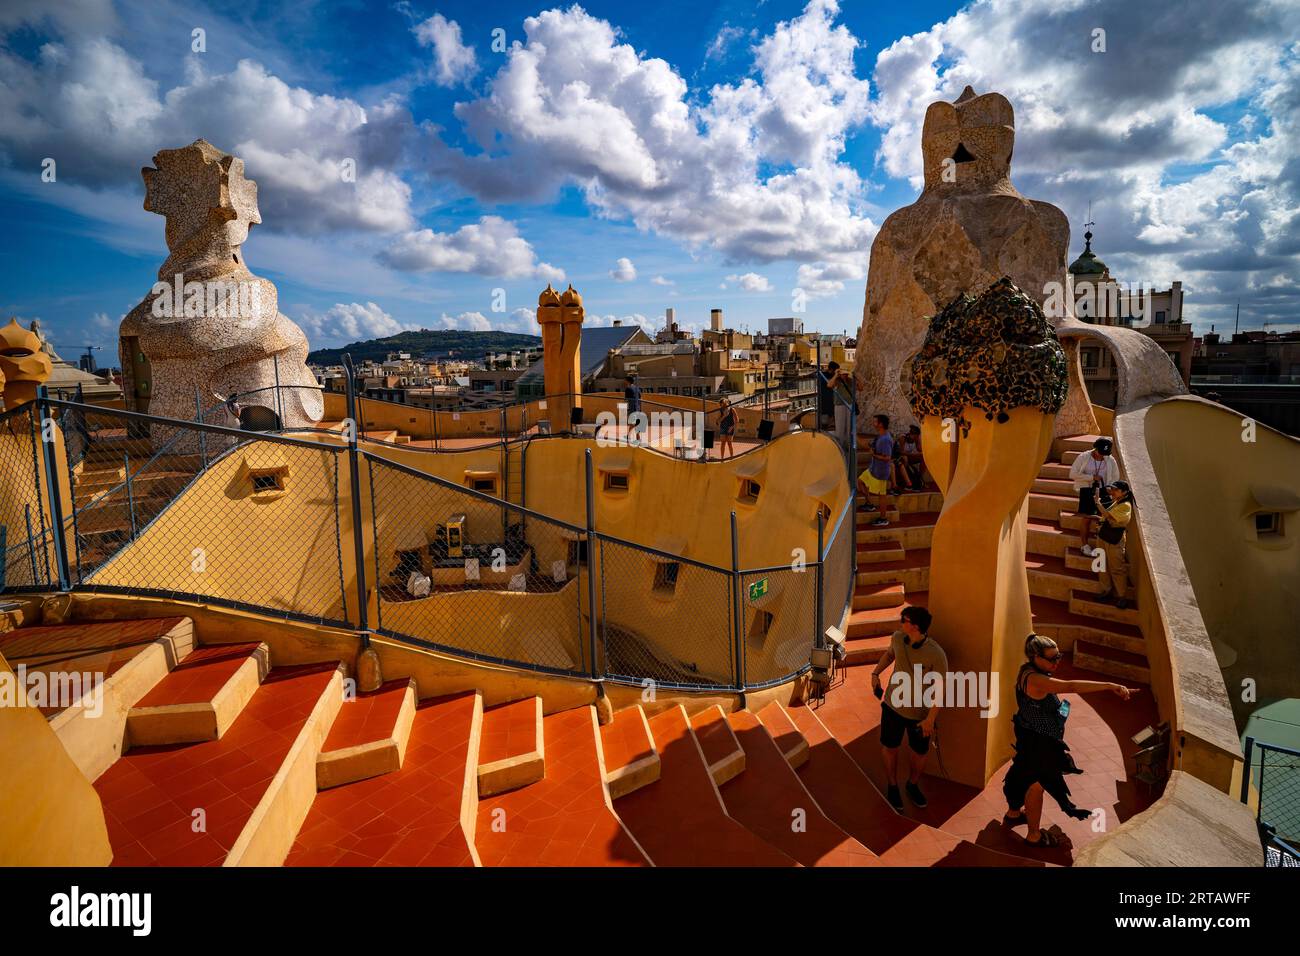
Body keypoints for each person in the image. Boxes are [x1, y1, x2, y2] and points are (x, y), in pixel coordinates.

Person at [1002, 634, 1134, 847]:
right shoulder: (1036, 679)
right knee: (1036, 786)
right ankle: (1034, 835)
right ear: (1035, 657)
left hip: (1028, 736)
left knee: (1020, 774)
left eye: (1058, 657)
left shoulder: (1027, 671)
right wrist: (1110, 685)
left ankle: (1013, 812)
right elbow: (1070, 686)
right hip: (1039, 743)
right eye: (1051, 658)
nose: (1056, 662)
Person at [870, 606, 946, 811]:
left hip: (920, 714)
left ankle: (912, 785)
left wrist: (930, 720)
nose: (900, 622)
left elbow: (941, 689)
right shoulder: (897, 638)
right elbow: (889, 655)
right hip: (892, 707)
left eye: (904, 619)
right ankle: (893, 786)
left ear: (915, 626)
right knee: (890, 747)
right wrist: (875, 673)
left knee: (919, 752)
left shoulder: (936, 654)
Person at [1069, 437, 1119, 557]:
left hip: (1104, 490)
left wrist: (1110, 488)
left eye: (1105, 453)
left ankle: (1101, 545)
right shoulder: (1083, 457)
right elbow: (1072, 474)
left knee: (1103, 518)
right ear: (1095, 448)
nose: (1102, 456)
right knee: (1087, 518)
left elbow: (1115, 476)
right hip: (1087, 490)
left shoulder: (1110, 459)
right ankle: (1085, 546)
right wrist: (1091, 477)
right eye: (1100, 452)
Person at [1095, 480, 1134, 609]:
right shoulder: (1116, 501)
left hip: (1114, 539)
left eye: (1116, 490)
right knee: (1101, 564)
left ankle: (1122, 596)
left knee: (1117, 568)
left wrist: (1098, 504)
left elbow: (1110, 517)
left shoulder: (1126, 505)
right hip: (1103, 536)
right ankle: (1106, 591)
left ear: (1124, 492)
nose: (1113, 491)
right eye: (1113, 489)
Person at [859, 414, 894, 526]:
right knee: (860, 481)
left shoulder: (885, 439)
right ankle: (869, 503)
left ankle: (883, 518)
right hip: (873, 469)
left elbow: (887, 457)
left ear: (881, 424)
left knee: (882, 496)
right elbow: (871, 446)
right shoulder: (880, 436)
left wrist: (874, 455)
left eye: (875, 422)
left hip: (880, 472)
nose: (873, 424)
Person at [900, 425, 924, 489]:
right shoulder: (903, 438)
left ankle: (919, 477)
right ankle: (905, 480)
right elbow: (901, 452)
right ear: (910, 434)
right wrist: (913, 455)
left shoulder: (916, 439)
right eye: (915, 436)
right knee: (905, 458)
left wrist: (918, 440)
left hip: (910, 457)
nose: (915, 438)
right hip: (901, 457)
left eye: (917, 436)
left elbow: (920, 449)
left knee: (924, 458)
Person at [623, 374, 644, 443]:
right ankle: (634, 437)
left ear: (628, 381)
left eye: (625, 380)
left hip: (632, 408)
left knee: (632, 423)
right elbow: (640, 398)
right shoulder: (637, 388)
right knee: (635, 423)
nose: (624, 382)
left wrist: (626, 410)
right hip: (637, 407)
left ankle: (631, 437)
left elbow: (626, 400)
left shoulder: (628, 389)